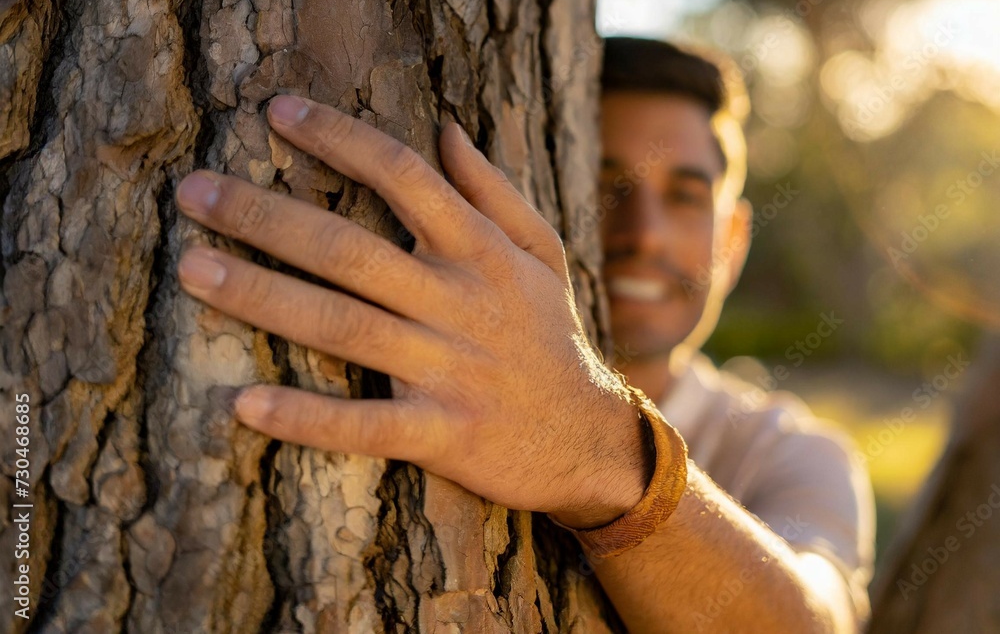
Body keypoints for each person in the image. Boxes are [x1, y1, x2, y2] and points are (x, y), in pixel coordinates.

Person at [172, 36, 873, 632]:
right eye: (607, 185)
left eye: (686, 198)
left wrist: (593, 444)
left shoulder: (790, 450)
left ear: (733, 239)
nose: (645, 233)